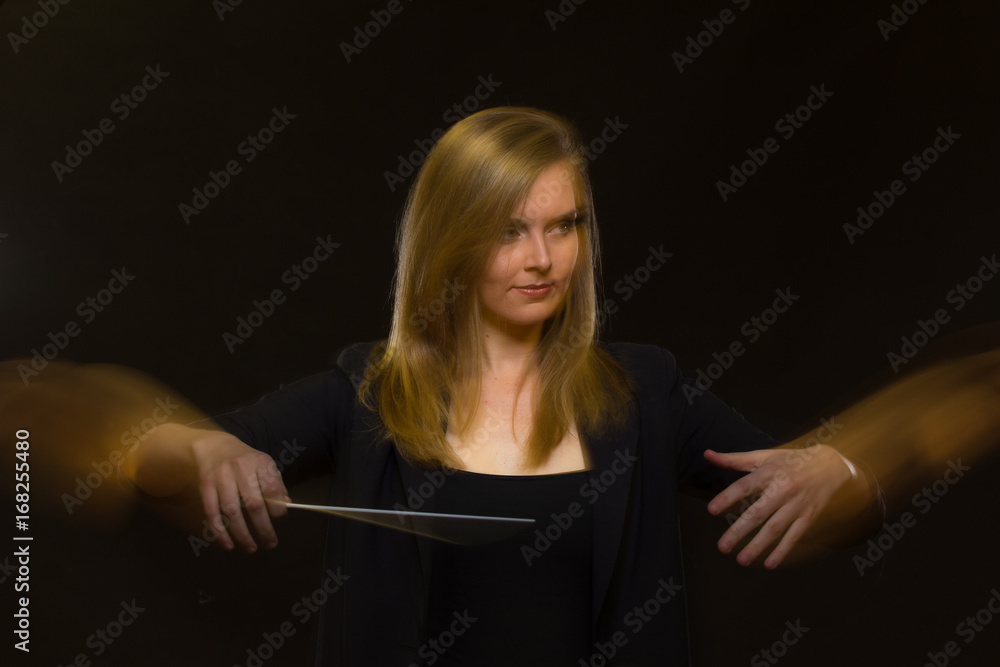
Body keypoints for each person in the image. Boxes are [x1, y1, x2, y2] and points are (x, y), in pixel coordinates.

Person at [123, 106, 882, 666]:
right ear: (450, 240)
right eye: (510, 229)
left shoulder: (648, 389)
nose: (544, 258)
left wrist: (838, 467)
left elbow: (829, 503)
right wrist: (200, 449)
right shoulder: (367, 394)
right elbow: (147, 456)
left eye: (565, 224)